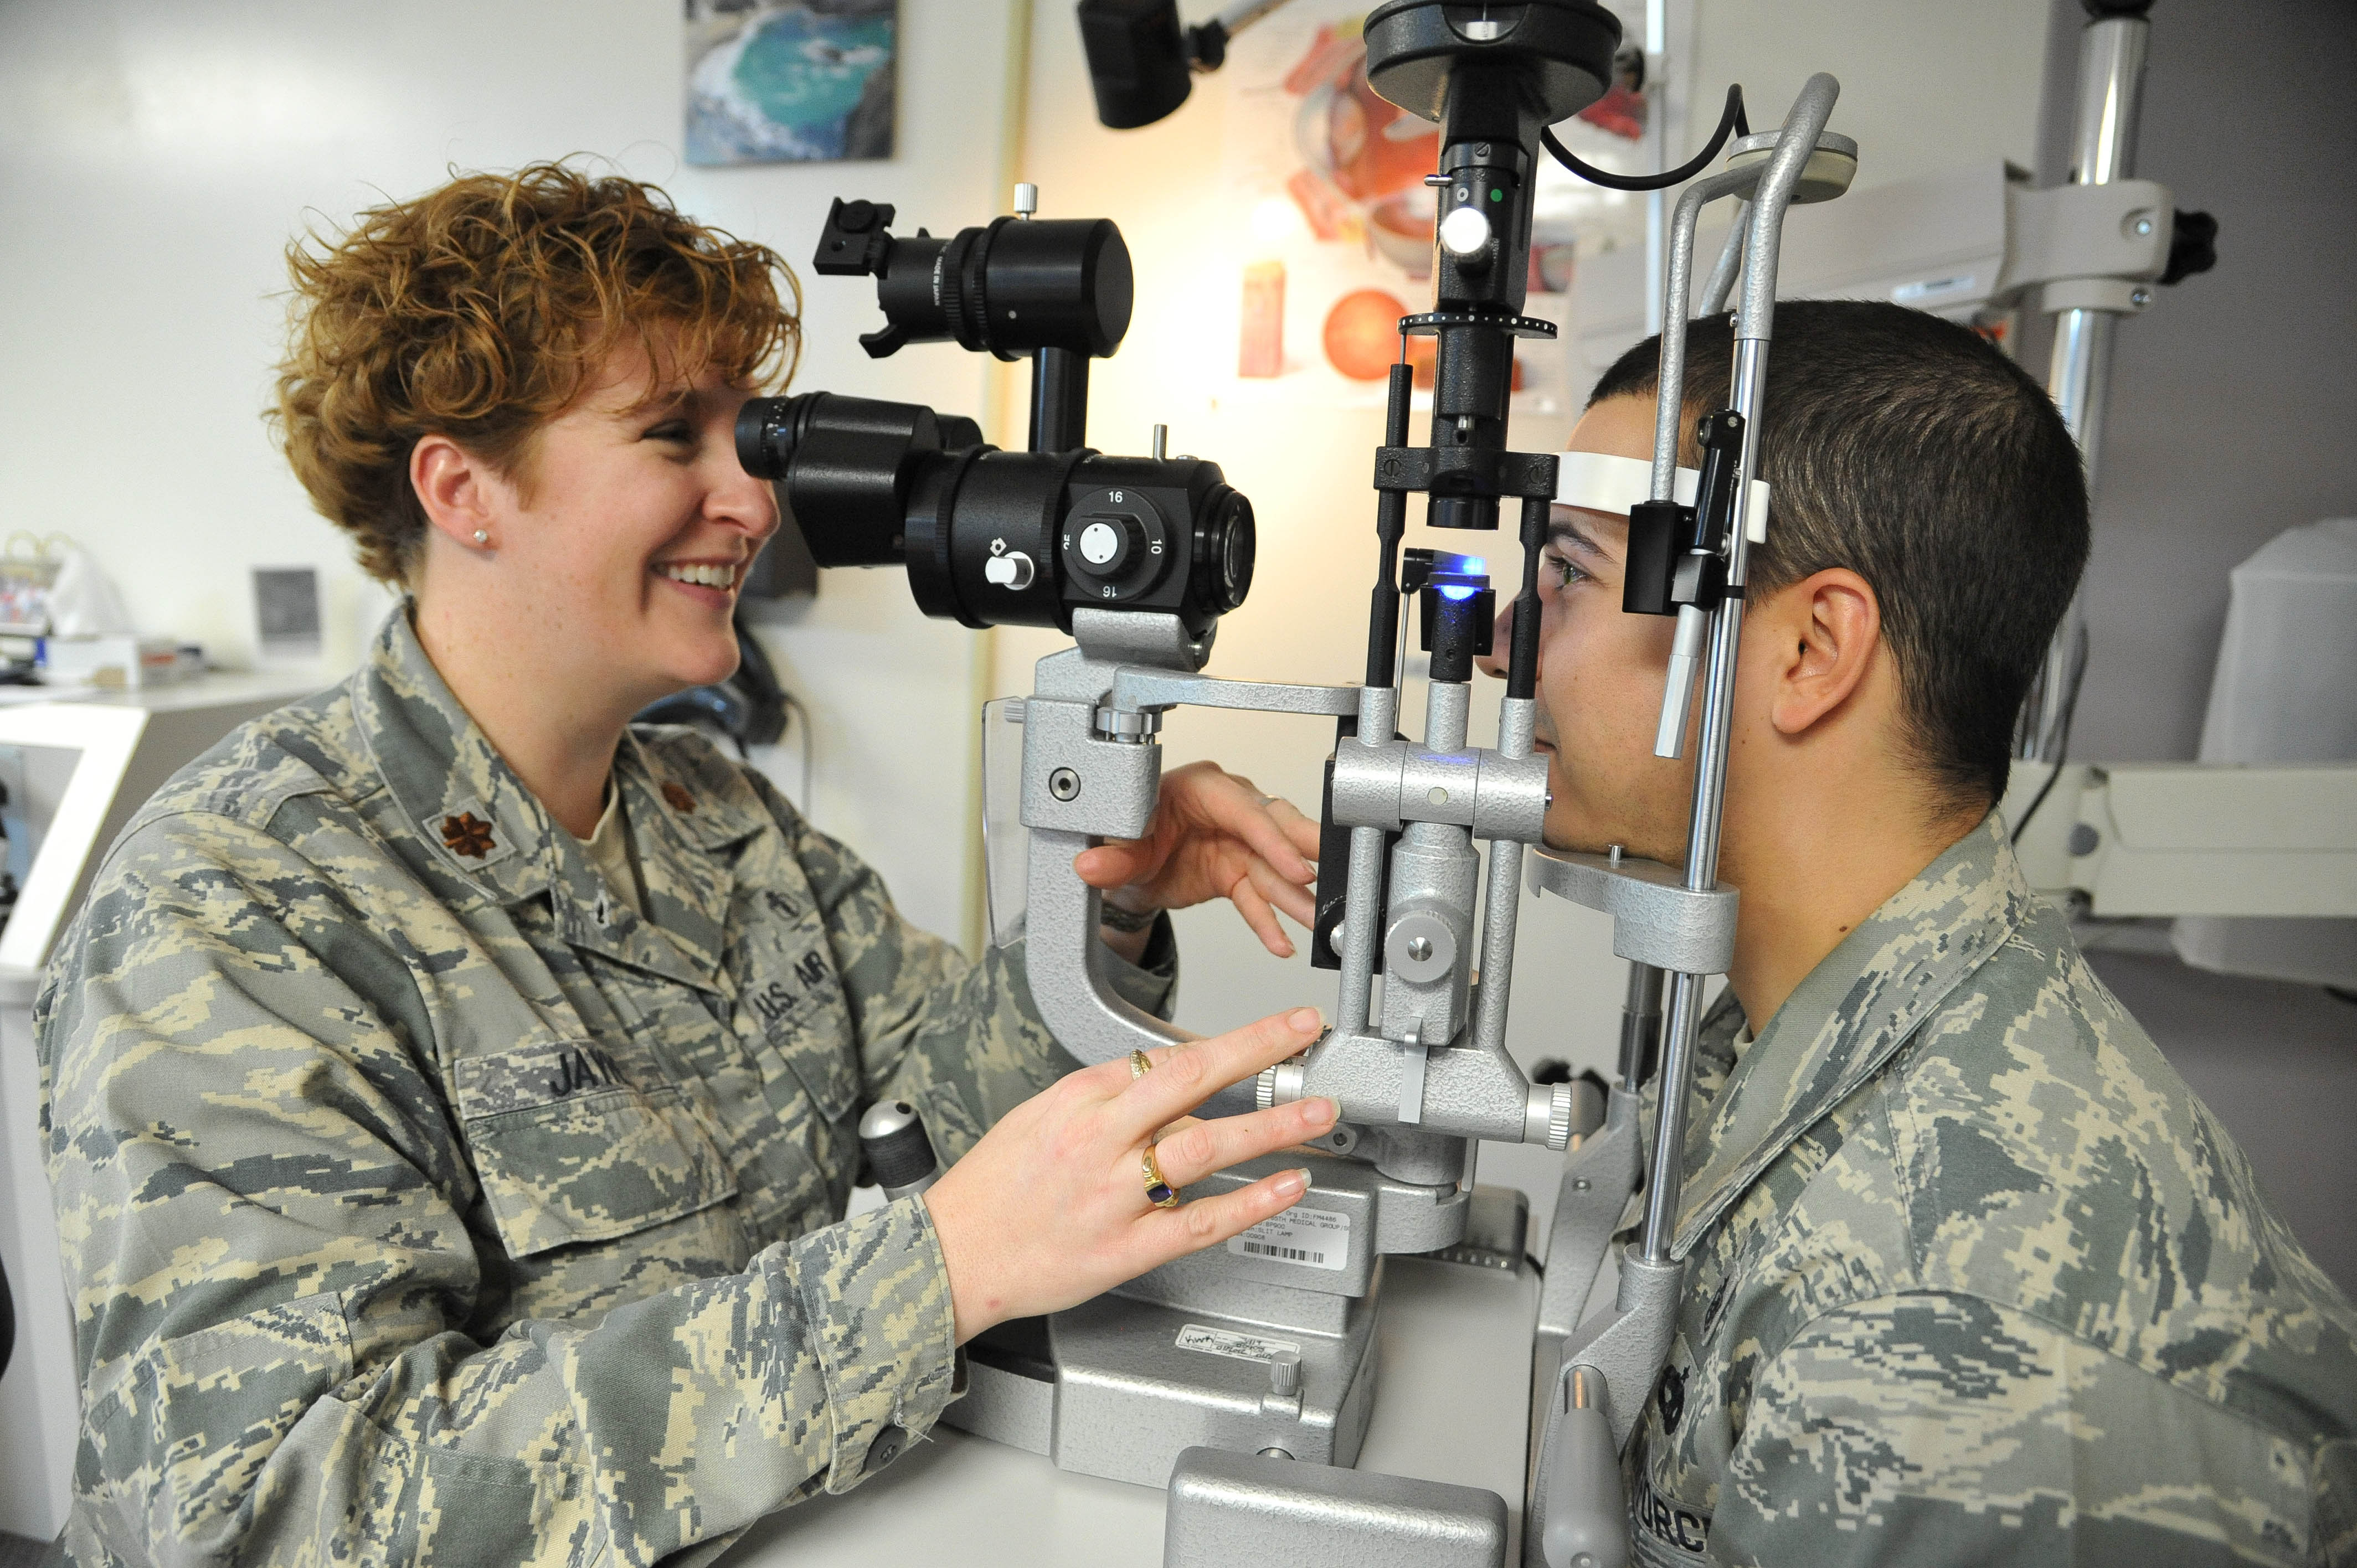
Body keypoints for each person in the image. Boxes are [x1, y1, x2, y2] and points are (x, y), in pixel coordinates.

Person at [34, 163, 1342, 1566]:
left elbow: (949, 1117)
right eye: (673, 437)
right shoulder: (228, 908)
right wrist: (929, 1278)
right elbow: (285, 1512)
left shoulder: (710, 813)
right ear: (463, 487)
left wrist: (1107, 896)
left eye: (751, 435)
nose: (754, 500)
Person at [1488, 299, 2357, 1566]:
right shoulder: (1829, 1032)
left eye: (1569, 574)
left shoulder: (1933, 1335)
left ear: (1808, 650)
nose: (1505, 642)